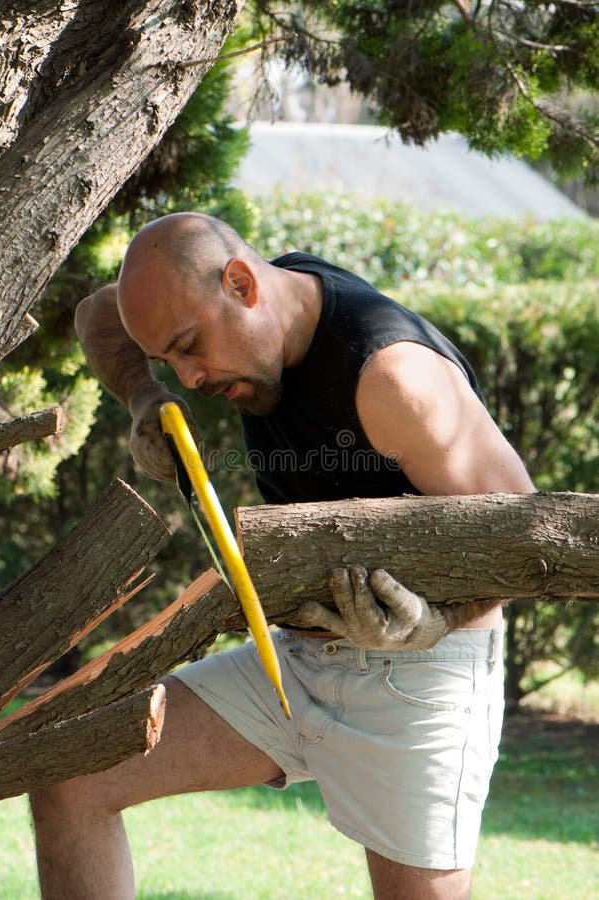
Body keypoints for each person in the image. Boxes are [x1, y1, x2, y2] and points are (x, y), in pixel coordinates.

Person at [30, 212, 534, 900]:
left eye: (188, 347)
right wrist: (144, 397)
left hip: (418, 680)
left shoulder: (392, 379)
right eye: (171, 360)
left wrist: (434, 622)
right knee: (70, 776)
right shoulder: (257, 306)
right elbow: (98, 312)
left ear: (242, 284)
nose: (191, 376)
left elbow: (523, 534)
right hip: (291, 661)